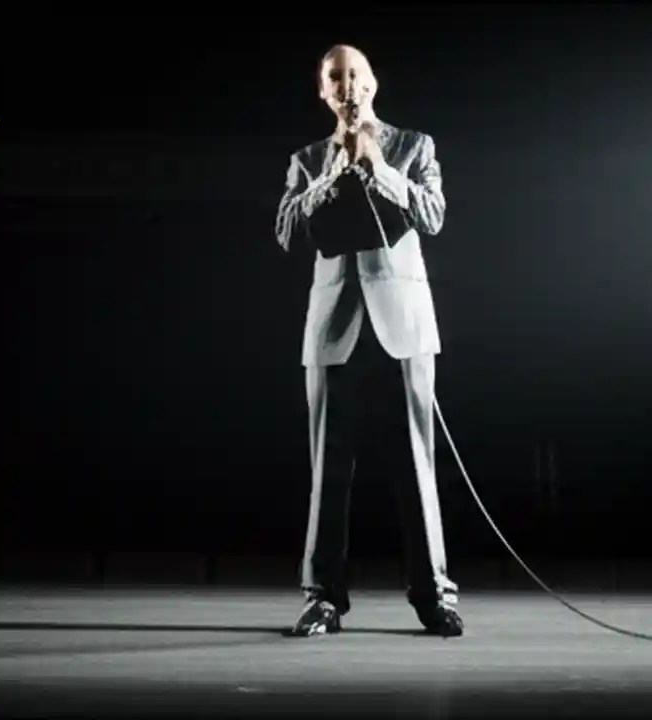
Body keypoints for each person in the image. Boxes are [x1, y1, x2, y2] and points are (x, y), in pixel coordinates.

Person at [274, 44, 463, 637]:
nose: (348, 86)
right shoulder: (306, 159)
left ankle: (435, 596)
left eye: (356, 75)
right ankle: (322, 597)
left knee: (417, 466)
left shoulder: (415, 146)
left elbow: (432, 216)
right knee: (327, 473)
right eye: (336, 78)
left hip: (404, 329)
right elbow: (285, 229)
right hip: (333, 332)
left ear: (373, 82)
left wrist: (377, 165)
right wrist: (334, 175)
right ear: (324, 92)